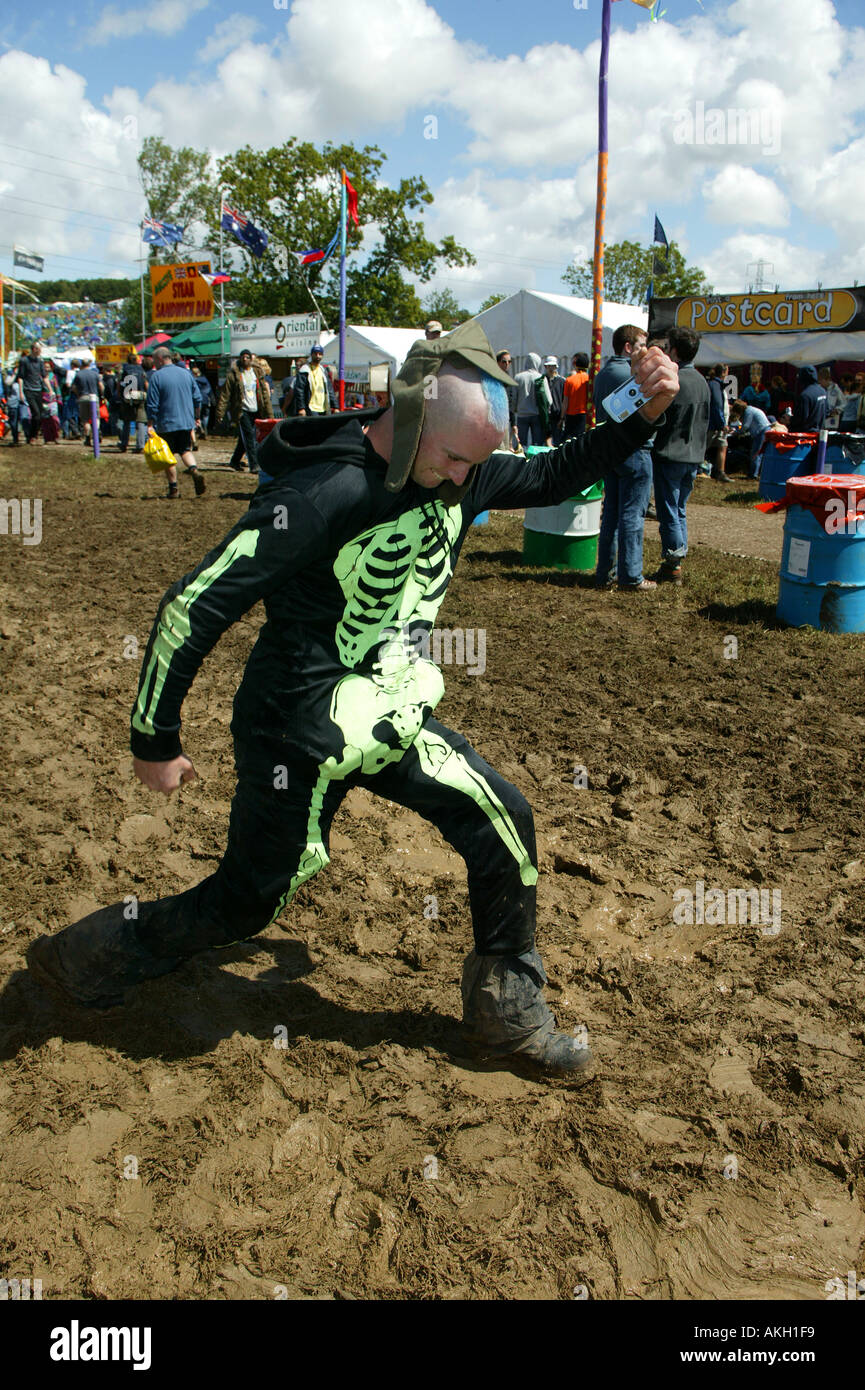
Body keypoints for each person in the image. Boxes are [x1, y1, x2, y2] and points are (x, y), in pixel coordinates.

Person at [25, 320, 679, 1083]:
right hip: (295, 725)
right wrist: (155, 739)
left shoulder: (462, 471)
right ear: (405, 420)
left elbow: (555, 473)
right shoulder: (320, 493)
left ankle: (506, 1015)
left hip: (389, 708)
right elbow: (192, 606)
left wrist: (642, 415)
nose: (469, 477)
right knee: (249, 901)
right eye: (454, 458)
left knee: (501, 818)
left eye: (478, 460)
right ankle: (91, 953)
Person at [593, 323, 656, 592]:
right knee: (632, 514)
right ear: (628, 347)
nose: (645, 351)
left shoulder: (603, 373)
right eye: (641, 346)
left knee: (611, 514)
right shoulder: (631, 375)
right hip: (633, 450)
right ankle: (631, 576)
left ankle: (605, 572)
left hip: (610, 449)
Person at [649, 325, 710, 585]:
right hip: (694, 455)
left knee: (669, 511)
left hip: (670, 454)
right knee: (680, 509)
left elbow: (659, 418)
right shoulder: (703, 382)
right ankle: (677, 557)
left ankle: (673, 561)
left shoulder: (675, 382)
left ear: (674, 350)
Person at [145, 346, 205, 498]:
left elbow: (152, 403)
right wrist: (197, 417)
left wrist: (150, 423)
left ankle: (173, 489)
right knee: (185, 450)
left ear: (159, 359)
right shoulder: (186, 373)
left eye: (154, 361)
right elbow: (197, 398)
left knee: (168, 455)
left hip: (166, 422)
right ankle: (194, 470)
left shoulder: (157, 377)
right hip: (186, 421)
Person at [215, 348, 273, 474]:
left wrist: (269, 414)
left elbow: (264, 394)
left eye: (247, 357)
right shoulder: (234, 374)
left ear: (251, 359)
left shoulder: (257, 372)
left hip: (256, 409)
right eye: (243, 357)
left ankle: (235, 461)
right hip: (242, 410)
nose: (245, 359)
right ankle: (254, 464)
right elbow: (225, 394)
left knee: (245, 438)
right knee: (249, 437)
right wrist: (220, 413)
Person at [728, 398, 770, 479]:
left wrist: (735, 433)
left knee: (755, 453)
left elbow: (745, 427)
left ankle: (753, 475)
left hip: (761, 432)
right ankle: (756, 473)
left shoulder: (748, 412)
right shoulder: (751, 409)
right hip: (764, 430)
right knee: (759, 454)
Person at [513, 353, 549, 448]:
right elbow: (549, 399)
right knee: (537, 444)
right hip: (536, 414)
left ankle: (521, 461)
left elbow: (514, 397)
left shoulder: (518, 377)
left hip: (522, 414)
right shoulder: (541, 378)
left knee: (521, 444)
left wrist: (514, 409)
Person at [15, 341, 47, 444]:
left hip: (38, 390)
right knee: (36, 413)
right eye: (39, 349)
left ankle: (32, 434)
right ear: (34, 349)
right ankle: (32, 436)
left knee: (40, 415)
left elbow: (44, 376)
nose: (41, 351)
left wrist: (50, 390)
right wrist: (21, 392)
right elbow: (20, 377)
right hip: (28, 390)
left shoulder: (40, 362)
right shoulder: (24, 361)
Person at [294, 344, 337, 418]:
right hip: (311, 408)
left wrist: (335, 406)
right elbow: (299, 390)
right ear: (311, 355)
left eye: (320, 354)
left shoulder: (323, 370)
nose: (317, 356)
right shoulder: (305, 370)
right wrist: (301, 408)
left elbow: (329, 389)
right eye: (315, 354)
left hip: (323, 408)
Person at [118, 352, 148, 454]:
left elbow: (120, 384)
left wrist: (121, 396)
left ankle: (124, 444)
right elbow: (145, 383)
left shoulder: (125, 370)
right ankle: (140, 445)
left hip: (128, 396)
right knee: (140, 421)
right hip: (139, 396)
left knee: (126, 421)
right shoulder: (141, 369)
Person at [705, 366, 731, 481]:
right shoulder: (715, 385)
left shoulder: (717, 385)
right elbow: (716, 406)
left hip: (718, 425)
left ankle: (720, 472)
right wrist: (722, 424)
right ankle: (697, 470)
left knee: (723, 445)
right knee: (703, 447)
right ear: (724, 372)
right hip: (714, 424)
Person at [71, 358, 103, 446]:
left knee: (85, 420)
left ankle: (88, 437)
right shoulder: (95, 373)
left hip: (83, 397)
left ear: (82, 364)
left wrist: (78, 395)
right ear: (89, 364)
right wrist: (101, 395)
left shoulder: (78, 374)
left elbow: (73, 387)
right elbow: (101, 386)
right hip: (94, 397)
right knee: (96, 418)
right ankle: (96, 434)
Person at [495, 349, 519, 451]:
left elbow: (511, 402)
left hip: (505, 419)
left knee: (504, 449)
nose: (507, 364)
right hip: (494, 419)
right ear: (498, 362)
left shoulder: (509, 379)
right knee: (498, 449)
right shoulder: (492, 378)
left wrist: (514, 423)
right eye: (504, 361)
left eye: (509, 362)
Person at [561, 353, 589, 438]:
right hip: (585, 414)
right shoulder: (590, 380)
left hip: (571, 416)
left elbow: (565, 402)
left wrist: (562, 418)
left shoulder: (569, 380)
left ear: (575, 364)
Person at [791, 365, 827, 432]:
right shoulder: (823, 391)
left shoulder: (805, 395)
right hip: (820, 432)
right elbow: (826, 411)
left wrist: (790, 419)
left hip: (807, 435)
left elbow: (801, 418)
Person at [543, 357, 564, 445]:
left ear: (556, 367)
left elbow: (564, 400)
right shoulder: (542, 380)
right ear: (546, 367)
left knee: (557, 442)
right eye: (549, 366)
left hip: (557, 415)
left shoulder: (562, 381)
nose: (551, 368)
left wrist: (563, 418)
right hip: (545, 415)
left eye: (553, 366)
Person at [191, 367, 214, 437]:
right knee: (205, 416)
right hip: (207, 400)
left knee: (197, 417)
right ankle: (205, 428)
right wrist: (213, 399)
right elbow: (210, 391)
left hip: (198, 401)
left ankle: (199, 429)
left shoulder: (193, 381)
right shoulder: (205, 380)